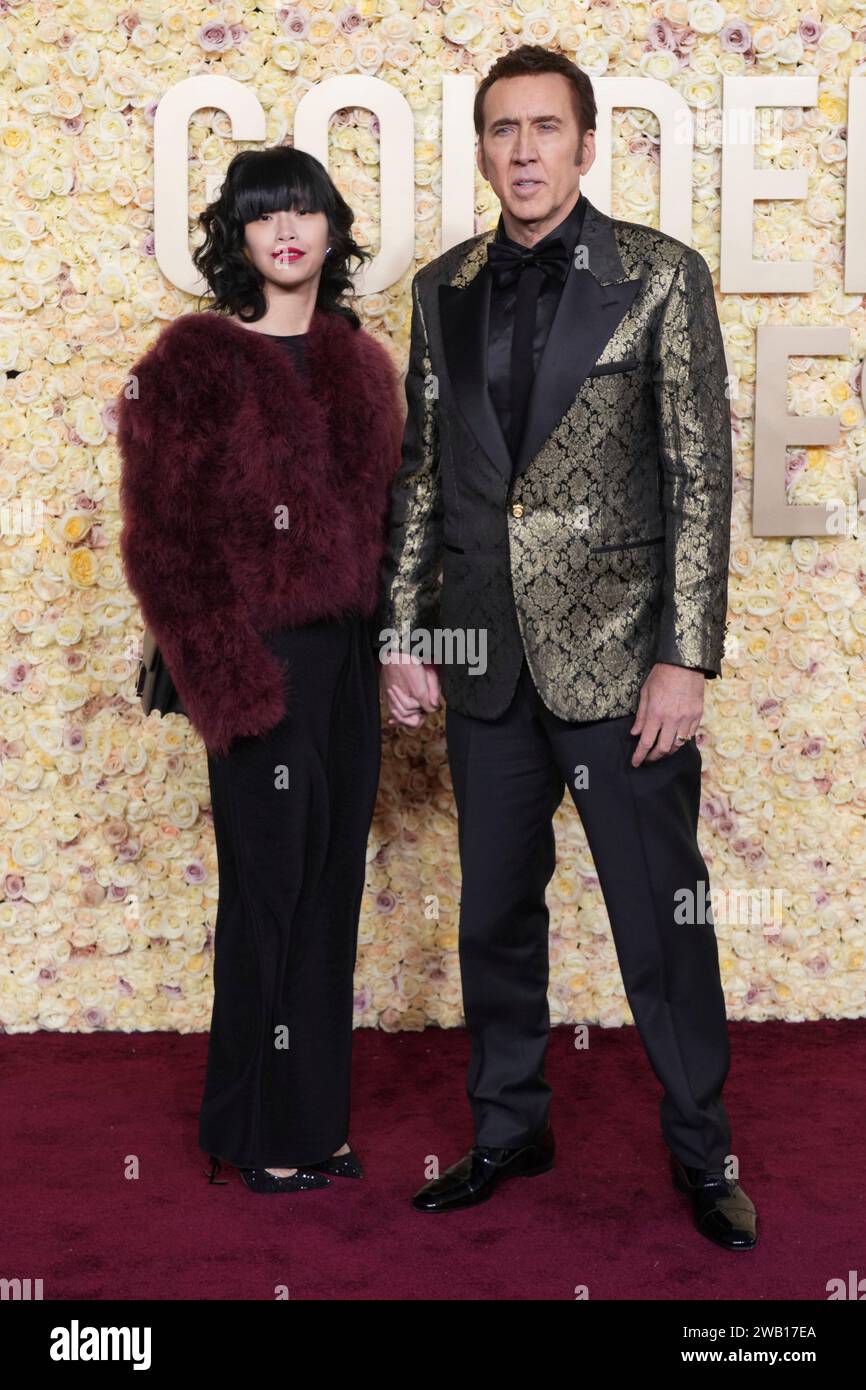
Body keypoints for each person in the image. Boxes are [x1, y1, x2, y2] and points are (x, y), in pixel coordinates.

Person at [377, 45, 757, 1251]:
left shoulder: (657, 275)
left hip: (620, 667)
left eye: (547, 127)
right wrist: (403, 631)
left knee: (661, 919)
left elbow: (699, 476)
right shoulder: (439, 289)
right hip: (486, 659)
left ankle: (703, 1151)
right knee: (492, 915)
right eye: (503, 130)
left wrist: (682, 657)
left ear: (587, 144)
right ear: (482, 149)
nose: (525, 149)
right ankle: (507, 1126)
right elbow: (422, 480)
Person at [117, 145, 404, 1194]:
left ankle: (311, 1121)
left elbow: (386, 528)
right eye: (260, 215)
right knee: (266, 894)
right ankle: (250, 1130)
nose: (285, 230)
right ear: (235, 239)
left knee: (329, 889)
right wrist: (227, 681)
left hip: (344, 665)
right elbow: (162, 540)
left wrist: (392, 656)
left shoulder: (357, 364)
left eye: (302, 211)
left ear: (332, 228)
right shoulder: (192, 359)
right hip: (254, 664)